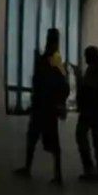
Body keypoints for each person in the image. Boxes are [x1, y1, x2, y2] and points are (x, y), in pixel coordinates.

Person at [15, 28, 70, 185]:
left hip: (44, 105)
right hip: (47, 106)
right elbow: (62, 83)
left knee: (37, 137)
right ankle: (56, 174)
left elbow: (53, 83)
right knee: (45, 139)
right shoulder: (53, 59)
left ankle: (33, 168)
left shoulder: (51, 59)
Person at [73, 45, 98, 183]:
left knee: (81, 135)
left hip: (91, 111)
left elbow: (87, 91)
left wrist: (78, 78)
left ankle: (89, 168)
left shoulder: (92, 72)